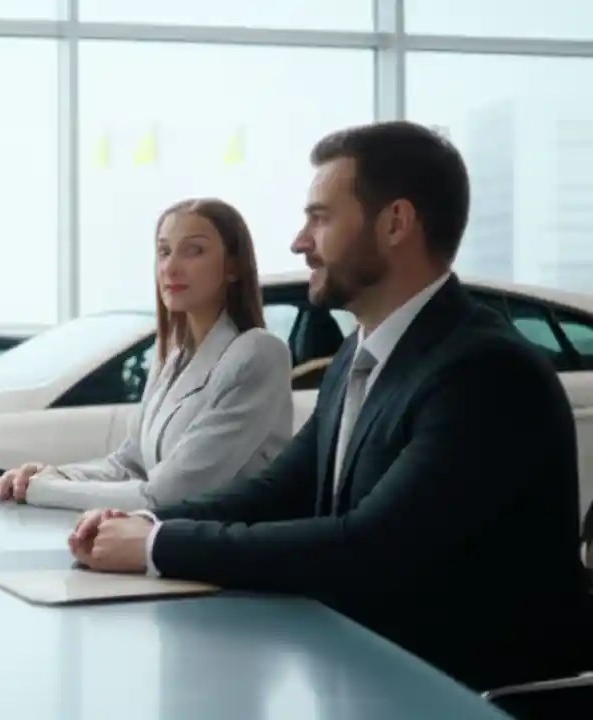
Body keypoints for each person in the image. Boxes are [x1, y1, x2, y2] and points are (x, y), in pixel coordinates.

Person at [67, 121, 588, 692]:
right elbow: (281, 490)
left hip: (460, 695)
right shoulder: (355, 356)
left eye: (320, 217)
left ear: (395, 223)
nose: (298, 241)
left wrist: (159, 547)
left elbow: (370, 548)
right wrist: (147, 521)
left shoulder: (486, 371)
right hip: (363, 669)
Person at [0, 198, 292, 511]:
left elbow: (165, 496)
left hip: (227, 548)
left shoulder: (258, 354)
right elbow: (129, 465)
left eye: (194, 250)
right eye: (164, 251)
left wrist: (42, 491)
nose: (170, 267)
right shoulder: (171, 356)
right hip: (166, 541)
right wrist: (54, 474)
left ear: (234, 267)